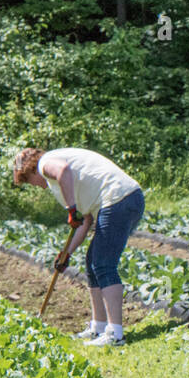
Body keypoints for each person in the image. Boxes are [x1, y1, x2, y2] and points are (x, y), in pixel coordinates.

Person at [12, 147, 145, 346]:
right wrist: (66, 253)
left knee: (103, 264)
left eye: (29, 181)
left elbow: (63, 170)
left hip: (119, 198)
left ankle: (115, 333)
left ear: (31, 170)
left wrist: (71, 208)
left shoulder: (45, 163)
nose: (35, 185)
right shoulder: (58, 183)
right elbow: (85, 221)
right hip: (122, 200)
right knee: (92, 261)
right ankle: (98, 327)